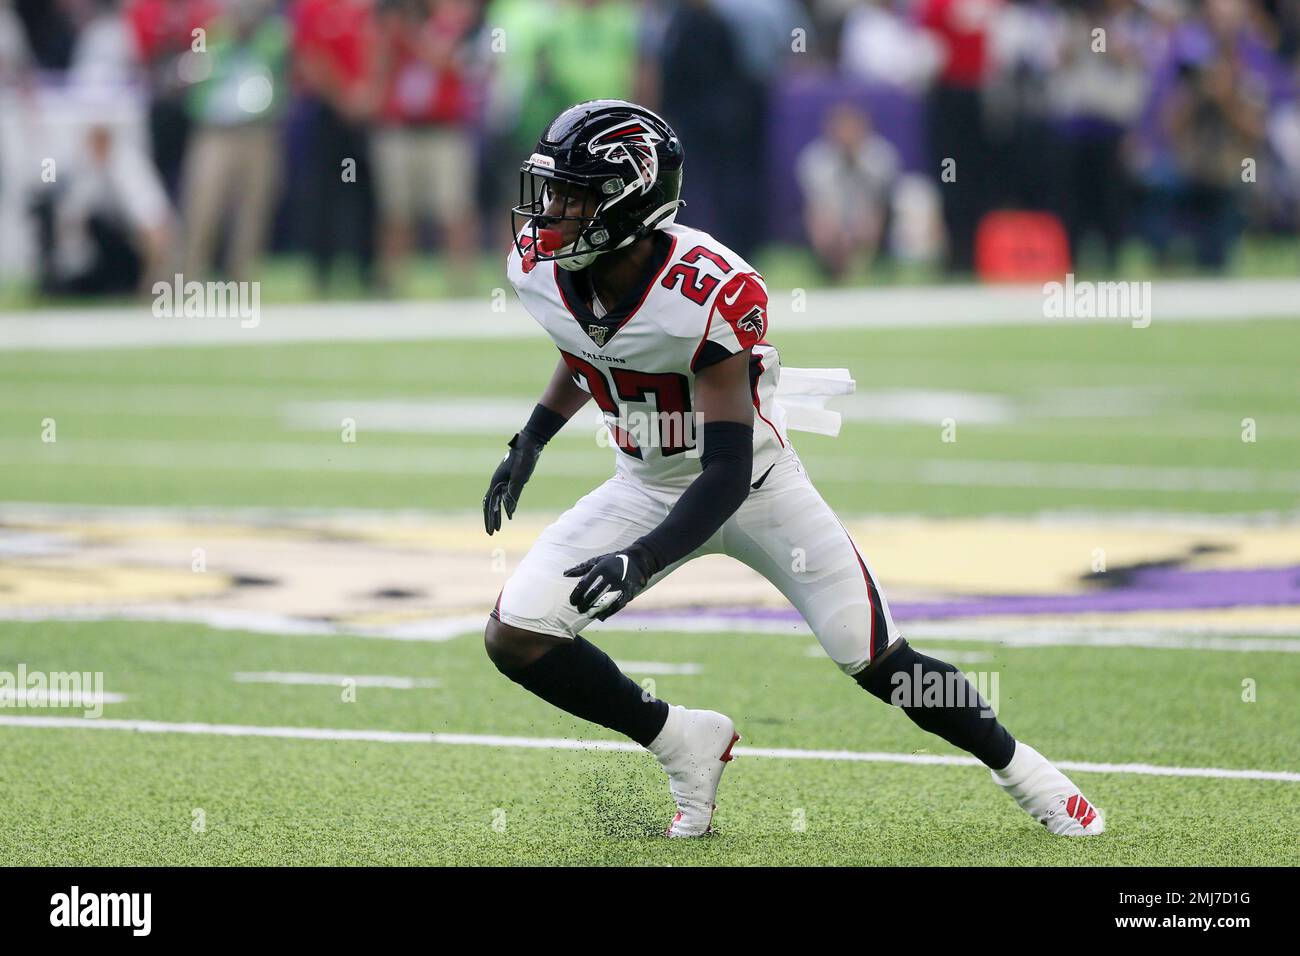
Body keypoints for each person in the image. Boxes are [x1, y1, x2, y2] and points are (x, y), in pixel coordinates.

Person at [481, 99, 1105, 838]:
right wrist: (534, 439)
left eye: (572, 196)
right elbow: (588, 347)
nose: (549, 212)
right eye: (551, 191)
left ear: (629, 201)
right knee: (515, 634)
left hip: (754, 485)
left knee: (876, 659)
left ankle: (1031, 776)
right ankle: (684, 740)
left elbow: (724, 472)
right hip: (643, 483)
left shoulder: (707, 291)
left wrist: (640, 561)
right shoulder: (543, 270)